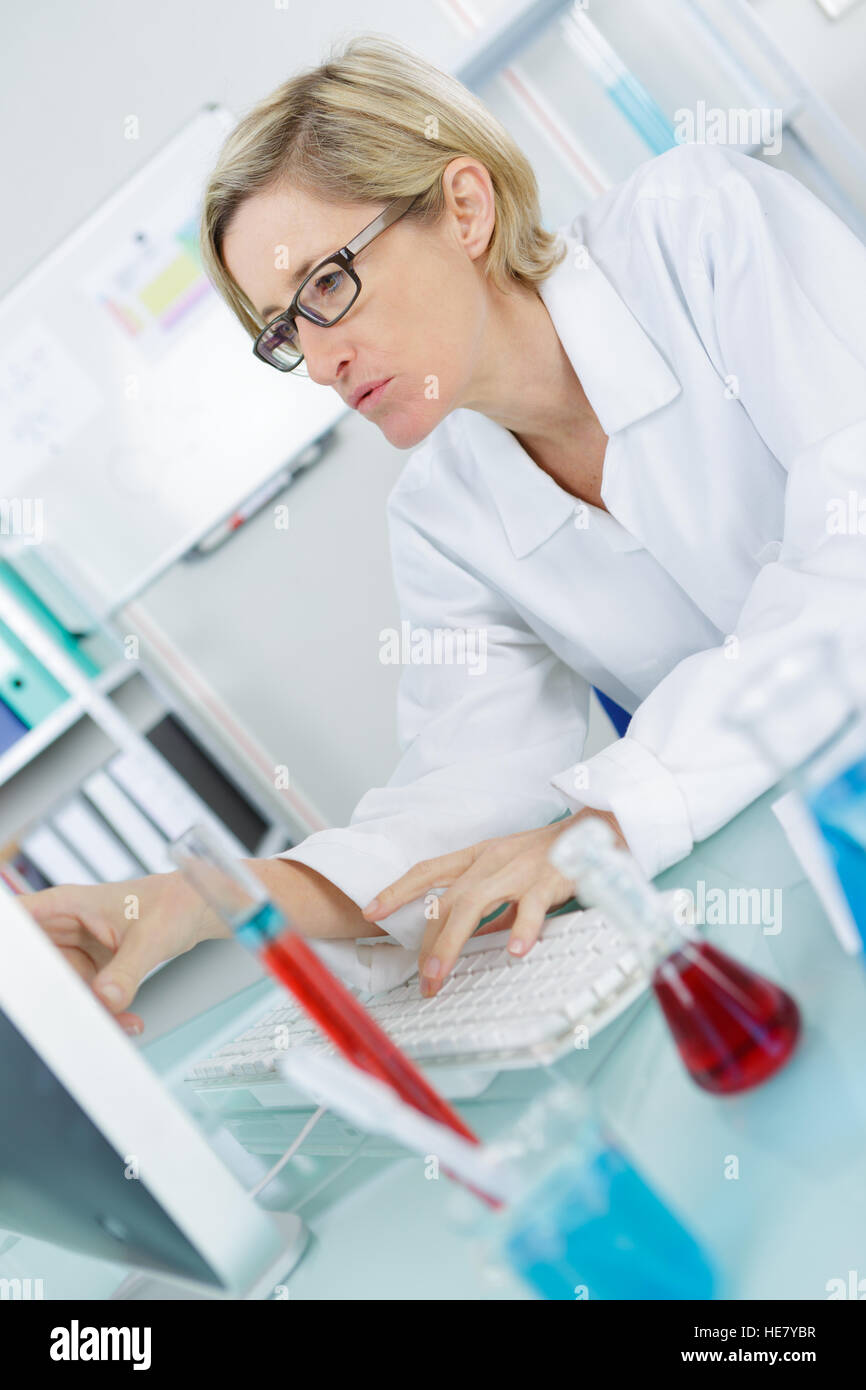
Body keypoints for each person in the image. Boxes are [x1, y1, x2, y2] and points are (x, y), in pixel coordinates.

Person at [23, 34, 866, 1030]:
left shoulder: (700, 227)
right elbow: (464, 793)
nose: (323, 359)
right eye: (285, 332)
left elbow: (844, 555)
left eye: (325, 286)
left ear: (463, 207)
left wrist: (603, 820)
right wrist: (217, 898)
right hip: (812, 873)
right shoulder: (441, 513)